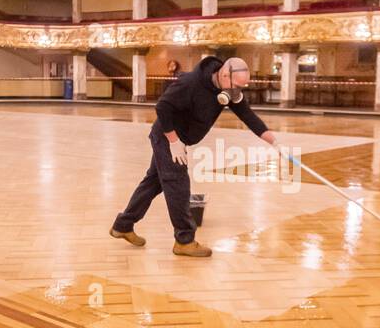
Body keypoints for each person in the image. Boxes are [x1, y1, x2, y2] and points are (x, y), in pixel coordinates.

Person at [111, 55, 276, 257]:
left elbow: (247, 115)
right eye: (236, 86)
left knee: (153, 182)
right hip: (167, 136)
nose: (237, 92)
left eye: (242, 87)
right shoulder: (190, 83)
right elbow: (162, 107)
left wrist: (273, 141)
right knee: (178, 184)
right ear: (224, 74)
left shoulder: (227, 89)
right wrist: (174, 142)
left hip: (181, 139)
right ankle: (184, 240)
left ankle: (123, 225)